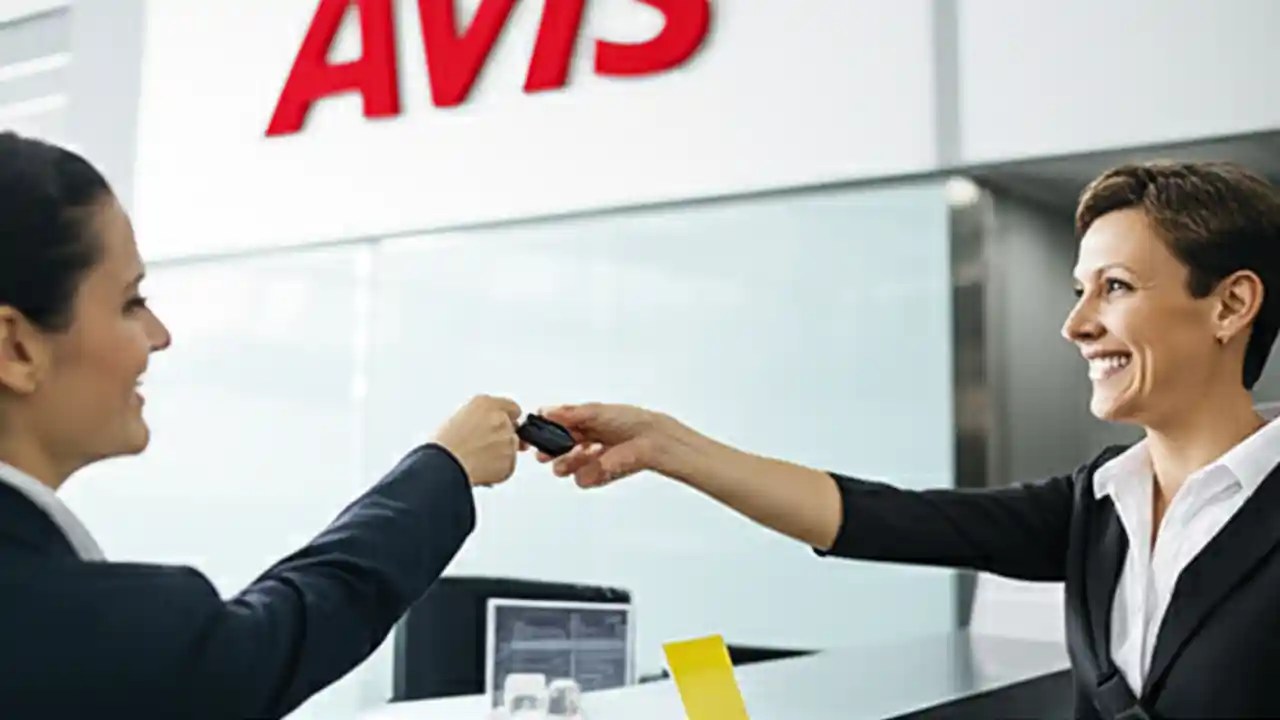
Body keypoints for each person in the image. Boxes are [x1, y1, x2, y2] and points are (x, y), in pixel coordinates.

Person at [538, 161, 1280, 719]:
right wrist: (668, 446)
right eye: (1078, 290)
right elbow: (877, 515)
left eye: (1114, 287)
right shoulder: (1099, 503)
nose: (1077, 324)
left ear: (1231, 305)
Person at [0, 131, 531, 717]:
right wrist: (446, 470)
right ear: (16, 350)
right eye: (131, 301)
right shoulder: (77, 624)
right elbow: (277, 637)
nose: (159, 334)